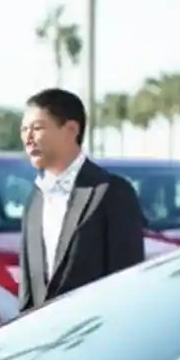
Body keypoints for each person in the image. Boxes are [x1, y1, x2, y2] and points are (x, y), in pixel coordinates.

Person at [17, 88, 145, 312]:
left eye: (37, 128)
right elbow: (28, 291)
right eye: (24, 129)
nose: (28, 139)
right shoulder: (35, 198)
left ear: (71, 129)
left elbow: (128, 282)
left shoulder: (111, 192)